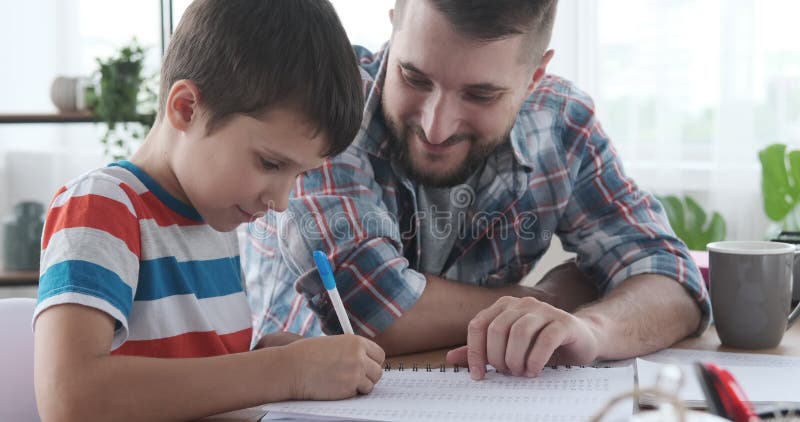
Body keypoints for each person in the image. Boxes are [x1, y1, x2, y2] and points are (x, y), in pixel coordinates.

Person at [244, 0, 710, 381]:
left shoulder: (562, 122)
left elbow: (673, 278)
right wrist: (545, 300)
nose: (436, 126)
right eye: (414, 77)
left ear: (533, 78)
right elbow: (377, 311)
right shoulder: (324, 103)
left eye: (480, 95)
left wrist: (590, 330)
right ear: (393, 27)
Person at [33, 1, 384, 421]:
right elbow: (70, 398)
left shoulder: (216, 225)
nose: (280, 201)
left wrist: (261, 357)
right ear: (186, 109)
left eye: (300, 175)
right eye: (270, 163)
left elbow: (194, 382)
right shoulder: (100, 206)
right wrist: (280, 372)